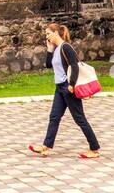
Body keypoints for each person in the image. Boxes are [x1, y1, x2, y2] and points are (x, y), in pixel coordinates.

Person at [28, 23, 100, 159]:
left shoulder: (66, 47)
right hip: (59, 88)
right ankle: (46, 146)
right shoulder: (56, 49)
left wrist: (72, 84)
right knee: (54, 117)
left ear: (56, 33)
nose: (47, 36)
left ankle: (94, 148)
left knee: (79, 118)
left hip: (68, 87)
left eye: (48, 34)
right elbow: (48, 65)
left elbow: (75, 66)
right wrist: (49, 49)